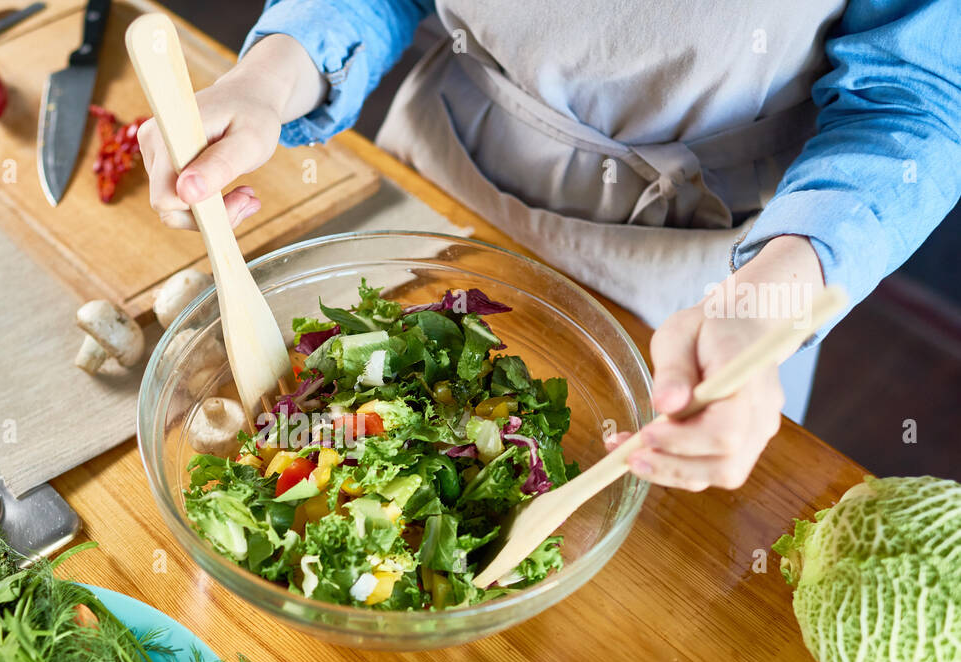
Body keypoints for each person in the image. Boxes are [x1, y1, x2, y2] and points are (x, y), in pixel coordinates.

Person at [138, 0, 960, 492]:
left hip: (721, 273)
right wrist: (269, 79)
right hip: (440, 184)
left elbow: (917, 98)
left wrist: (770, 302)